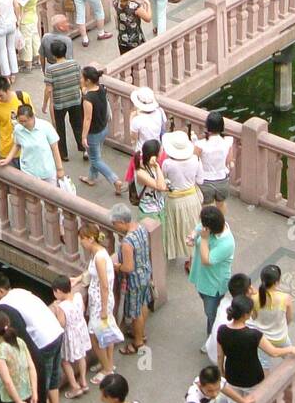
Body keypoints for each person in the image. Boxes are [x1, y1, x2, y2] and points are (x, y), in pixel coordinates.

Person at [0, 273, 65, 403]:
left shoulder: (4, 305)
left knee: (44, 381)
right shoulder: (20, 291)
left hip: (43, 342)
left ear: (0, 291)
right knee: (55, 375)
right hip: (56, 331)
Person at [217, 296, 295, 402]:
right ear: (246, 315)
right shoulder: (254, 335)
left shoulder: (221, 330)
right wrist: (290, 349)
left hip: (231, 375)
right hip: (252, 377)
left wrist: (221, 371)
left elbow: (220, 356)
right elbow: (273, 352)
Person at [74, 224, 123, 380]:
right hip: (100, 300)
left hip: (100, 302)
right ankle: (108, 363)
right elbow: (92, 273)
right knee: (105, 332)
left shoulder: (99, 257)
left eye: (82, 240)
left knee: (94, 336)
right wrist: (79, 278)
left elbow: (104, 285)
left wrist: (103, 309)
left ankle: (107, 369)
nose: (81, 243)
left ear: (90, 239)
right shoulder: (98, 253)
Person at [188, 204, 236, 337]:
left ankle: (213, 339)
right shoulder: (208, 229)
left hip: (213, 285)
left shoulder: (226, 243)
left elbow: (207, 260)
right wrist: (193, 236)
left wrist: (203, 239)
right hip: (202, 277)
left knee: (212, 314)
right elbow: (199, 227)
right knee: (208, 309)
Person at [111, 202, 153, 353]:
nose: (114, 226)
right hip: (146, 272)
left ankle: (138, 342)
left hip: (135, 280)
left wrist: (117, 267)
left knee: (135, 313)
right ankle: (141, 333)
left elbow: (128, 267)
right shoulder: (140, 228)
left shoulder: (127, 242)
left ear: (122, 222)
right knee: (143, 304)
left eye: (115, 223)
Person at [160, 129, 204, 262]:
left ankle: (171, 251)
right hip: (192, 198)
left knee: (172, 226)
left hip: (174, 199)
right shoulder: (196, 160)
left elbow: (164, 180)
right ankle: (192, 259)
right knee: (193, 227)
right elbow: (200, 180)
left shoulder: (168, 163)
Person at [79, 66, 122, 193]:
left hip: (93, 133)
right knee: (95, 156)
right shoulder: (101, 89)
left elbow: (87, 119)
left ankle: (115, 180)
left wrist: (83, 136)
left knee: (95, 159)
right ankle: (91, 178)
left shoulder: (88, 99)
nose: (80, 79)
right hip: (103, 128)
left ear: (87, 81)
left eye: (81, 77)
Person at [1, 102, 64, 185]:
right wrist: (8, 159)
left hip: (46, 171)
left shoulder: (45, 126)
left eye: (25, 121)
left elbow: (55, 148)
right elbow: (17, 144)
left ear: (32, 117)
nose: (23, 124)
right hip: (28, 172)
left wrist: (59, 169)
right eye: (20, 121)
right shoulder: (18, 129)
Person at [51, 275, 92, 399]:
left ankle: (74, 386)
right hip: (80, 329)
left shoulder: (62, 307)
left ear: (58, 291)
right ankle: (84, 381)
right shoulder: (78, 297)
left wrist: (57, 308)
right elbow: (83, 309)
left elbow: (61, 324)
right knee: (81, 356)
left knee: (65, 361)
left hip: (70, 334)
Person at [43, 37, 85, 160]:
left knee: (60, 127)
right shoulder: (75, 63)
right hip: (75, 99)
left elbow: (49, 89)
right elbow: (80, 80)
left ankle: (63, 154)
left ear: (53, 54)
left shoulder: (50, 69)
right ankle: (84, 149)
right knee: (78, 125)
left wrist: (45, 104)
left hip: (59, 102)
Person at [248, 264, 294, 371]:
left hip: (262, 339)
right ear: (277, 282)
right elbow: (290, 318)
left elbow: (254, 317)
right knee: (291, 358)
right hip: (281, 337)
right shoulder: (285, 298)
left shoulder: (254, 298)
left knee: (264, 366)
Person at [204, 272, 254, 363]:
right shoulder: (245, 316)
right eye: (250, 287)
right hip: (225, 361)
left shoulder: (224, 303)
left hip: (211, 351)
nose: (253, 290)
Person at [194, 110, 235, 208]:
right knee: (221, 205)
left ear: (207, 126)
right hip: (222, 180)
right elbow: (229, 162)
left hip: (205, 180)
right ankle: (221, 223)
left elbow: (194, 161)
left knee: (205, 208)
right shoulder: (227, 142)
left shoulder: (200, 144)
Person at [133, 139, 167, 221]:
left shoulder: (151, 166)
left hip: (159, 207)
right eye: (160, 151)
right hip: (149, 211)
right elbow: (161, 187)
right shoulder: (140, 172)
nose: (162, 153)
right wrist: (157, 166)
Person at [15, 0, 42, 70]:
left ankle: (28, 64)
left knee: (26, 42)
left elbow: (17, 4)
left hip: (25, 20)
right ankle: (38, 59)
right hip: (33, 17)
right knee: (35, 39)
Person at [129, 85, 166, 151]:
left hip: (142, 150)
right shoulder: (160, 112)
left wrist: (131, 118)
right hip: (157, 148)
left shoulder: (137, 120)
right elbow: (163, 129)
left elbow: (133, 137)